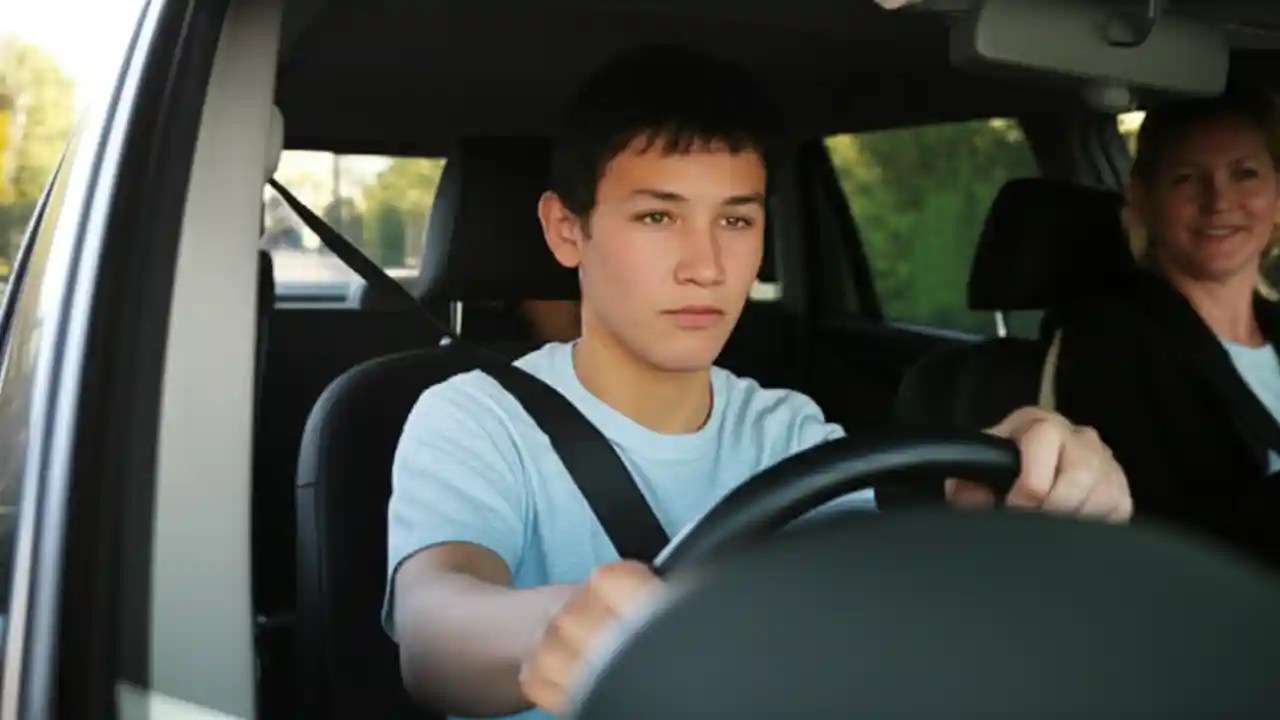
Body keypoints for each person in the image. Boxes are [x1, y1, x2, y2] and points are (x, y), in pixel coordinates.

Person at [386, 46, 1132, 720]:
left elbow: (874, 610)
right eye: (657, 216)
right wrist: (541, 628)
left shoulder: (786, 429)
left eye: (737, 222)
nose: (706, 265)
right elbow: (433, 623)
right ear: (567, 231)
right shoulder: (473, 419)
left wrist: (1015, 501)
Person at [1053, 83, 1280, 568]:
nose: (1219, 200)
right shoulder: (1109, 339)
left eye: (1244, 174)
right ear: (1144, 201)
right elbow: (1152, 537)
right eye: (1186, 178)